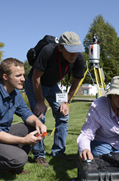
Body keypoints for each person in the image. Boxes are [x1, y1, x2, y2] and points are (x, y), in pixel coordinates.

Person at [23, 31, 85, 166]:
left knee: (63, 115)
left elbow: (76, 82)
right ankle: (39, 155)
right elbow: (36, 78)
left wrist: (66, 102)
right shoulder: (48, 51)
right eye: (70, 51)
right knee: (40, 117)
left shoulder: (78, 58)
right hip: (35, 83)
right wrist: (40, 102)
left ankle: (58, 152)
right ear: (61, 48)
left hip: (53, 85)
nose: (74, 55)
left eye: (77, 50)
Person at [78, 76, 119, 160]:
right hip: (103, 142)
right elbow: (87, 133)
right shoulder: (98, 106)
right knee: (106, 161)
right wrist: (84, 148)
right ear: (111, 95)